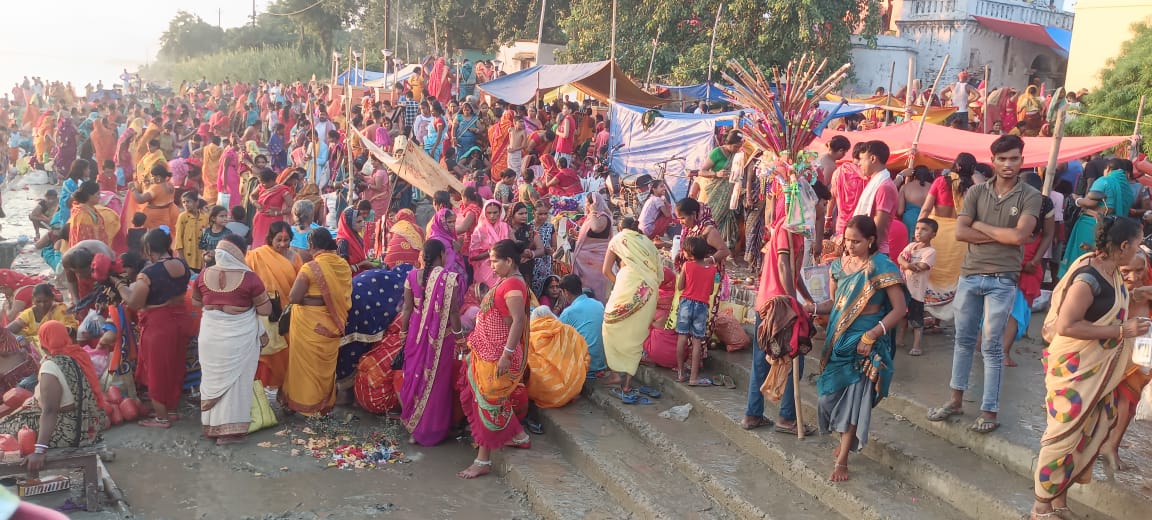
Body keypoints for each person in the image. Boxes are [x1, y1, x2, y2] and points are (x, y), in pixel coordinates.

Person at [1028, 217, 1147, 519]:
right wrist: (1123, 330)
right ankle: (1040, 507)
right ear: (1123, 246)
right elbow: (1067, 325)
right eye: (1137, 245)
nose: (1139, 250)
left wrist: (1135, 296)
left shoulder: (1112, 271)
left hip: (1095, 375)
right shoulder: (1088, 278)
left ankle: (1059, 503)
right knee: (1062, 439)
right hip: (1075, 373)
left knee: (1082, 437)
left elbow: (1105, 307)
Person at [927, 135, 1041, 434]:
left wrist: (979, 225)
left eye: (1013, 158)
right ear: (993, 161)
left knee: (991, 346)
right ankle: (955, 400)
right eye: (1002, 159)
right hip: (970, 274)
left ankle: (989, 410)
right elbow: (961, 233)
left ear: (1022, 160)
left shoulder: (1030, 195)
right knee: (963, 341)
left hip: (1003, 278)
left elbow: (1019, 237)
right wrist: (1002, 235)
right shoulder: (977, 191)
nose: (1008, 164)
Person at [807, 216, 906, 482]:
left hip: (865, 343)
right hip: (838, 341)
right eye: (847, 240)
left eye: (856, 241)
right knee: (828, 397)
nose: (850, 246)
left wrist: (872, 336)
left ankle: (842, 460)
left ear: (871, 240)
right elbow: (834, 303)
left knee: (854, 401)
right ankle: (844, 443)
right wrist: (811, 308)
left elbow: (900, 309)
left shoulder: (882, 267)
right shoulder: (838, 266)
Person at [459, 240, 533, 479]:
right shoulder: (508, 280)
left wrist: (506, 355)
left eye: (494, 261)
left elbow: (517, 321)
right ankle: (519, 436)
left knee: (488, 405)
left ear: (509, 261)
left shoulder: (513, 285)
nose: (491, 266)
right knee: (489, 401)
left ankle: (483, 461)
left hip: (498, 355)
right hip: (489, 351)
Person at [192, 235, 271, 445]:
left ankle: (212, 428)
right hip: (239, 339)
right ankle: (229, 433)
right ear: (240, 253)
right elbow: (265, 310)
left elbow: (196, 302)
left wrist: (217, 305)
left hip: (210, 336)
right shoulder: (250, 278)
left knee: (212, 380)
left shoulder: (204, 275)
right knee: (237, 384)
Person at [117, 228, 195, 428]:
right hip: (181, 320)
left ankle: (161, 417)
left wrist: (119, 286)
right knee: (175, 367)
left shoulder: (149, 273)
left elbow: (134, 303)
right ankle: (171, 410)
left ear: (149, 249)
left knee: (157, 371)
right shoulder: (182, 264)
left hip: (159, 324)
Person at [0, 321, 105, 451]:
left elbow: (50, 410)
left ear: (44, 341)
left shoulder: (50, 366)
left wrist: (39, 450)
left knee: (5, 427)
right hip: (87, 421)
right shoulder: (75, 356)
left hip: (68, 431)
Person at [281, 228, 352, 416]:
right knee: (323, 369)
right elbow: (341, 296)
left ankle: (303, 405)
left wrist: (310, 298)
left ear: (312, 245)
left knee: (304, 367)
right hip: (332, 325)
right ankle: (322, 407)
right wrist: (320, 298)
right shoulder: (343, 265)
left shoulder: (310, 268)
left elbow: (294, 297)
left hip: (309, 325)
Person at [399, 240, 463, 446]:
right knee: (436, 384)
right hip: (441, 338)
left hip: (415, 334)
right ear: (442, 255)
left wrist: (403, 332)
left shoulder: (411, 276)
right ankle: (432, 430)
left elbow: (407, 309)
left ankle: (413, 428)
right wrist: (460, 337)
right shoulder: (449, 279)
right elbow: (454, 312)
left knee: (415, 377)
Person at [1100, 248, 1152, 477]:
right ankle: (1103, 444)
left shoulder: (1146, 289)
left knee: (1129, 404)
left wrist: (1146, 292)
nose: (1134, 276)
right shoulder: (1108, 288)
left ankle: (1111, 445)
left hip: (1141, 358)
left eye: (1140, 270)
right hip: (1110, 354)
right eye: (1127, 271)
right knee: (1111, 403)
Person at [599, 218, 663, 401]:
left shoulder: (618, 239)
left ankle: (615, 374)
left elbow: (606, 270)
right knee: (637, 336)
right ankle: (626, 383)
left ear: (621, 228)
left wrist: (618, 282)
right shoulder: (648, 243)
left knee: (610, 326)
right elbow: (659, 273)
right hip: (648, 290)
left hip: (626, 284)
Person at [245, 221, 303, 390]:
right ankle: (262, 391)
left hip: (288, 314)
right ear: (270, 239)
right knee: (266, 353)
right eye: (279, 240)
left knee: (286, 353)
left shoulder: (295, 257)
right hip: (264, 313)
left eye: (286, 240)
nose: (283, 244)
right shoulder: (256, 255)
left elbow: (301, 284)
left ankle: (283, 389)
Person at [1060, 158, 1136, 278]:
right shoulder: (1126, 187)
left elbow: (1092, 202)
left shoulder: (1104, 180)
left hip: (1092, 224)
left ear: (1108, 169)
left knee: (1082, 259)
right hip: (1114, 229)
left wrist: (1077, 199)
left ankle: (1076, 282)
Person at [527, 305, 590, 409]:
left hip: (547, 391)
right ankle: (571, 389)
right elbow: (585, 355)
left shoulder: (530, 335)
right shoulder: (568, 330)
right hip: (573, 386)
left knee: (527, 359)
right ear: (550, 314)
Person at [675, 236, 718, 385]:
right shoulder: (712, 269)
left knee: (682, 337)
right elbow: (710, 291)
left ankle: (681, 373)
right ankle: (693, 378)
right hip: (702, 306)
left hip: (686, 304)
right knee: (697, 341)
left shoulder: (687, 265)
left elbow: (680, 286)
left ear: (690, 253)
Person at [853, 140, 906, 257]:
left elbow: (878, 228)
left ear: (872, 159)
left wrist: (868, 255)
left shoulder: (884, 187)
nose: (859, 164)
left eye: (861, 159)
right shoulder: (877, 182)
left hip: (873, 251)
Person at [694, 130, 744, 247]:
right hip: (716, 193)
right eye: (735, 146)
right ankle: (703, 245)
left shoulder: (737, 155)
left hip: (730, 195)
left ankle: (721, 247)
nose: (737, 149)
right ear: (728, 143)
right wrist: (717, 174)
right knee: (713, 219)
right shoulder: (717, 152)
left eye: (739, 147)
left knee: (727, 221)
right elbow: (701, 171)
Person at [896, 219, 938, 356]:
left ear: (933, 234)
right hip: (904, 289)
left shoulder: (930, 251)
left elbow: (922, 266)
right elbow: (899, 258)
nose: (919, 232)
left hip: (916, 293)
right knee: (902, 317)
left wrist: (906, 264)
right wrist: (908, 265)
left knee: (916, 321)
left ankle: (916, 346)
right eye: (917, 228)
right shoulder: (911, 245)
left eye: (924, 229)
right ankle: (899, 340)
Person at [557, 274, 607, 376]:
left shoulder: (568, 312)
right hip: (601, 363)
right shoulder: (599, 304)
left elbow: (557, 338)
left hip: (586, 367)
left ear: (565, 292)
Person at [6, 284, 76, 353]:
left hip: (55, 346)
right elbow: (7, 331)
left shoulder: (60, 310)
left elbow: (71, 331)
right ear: (33, 299)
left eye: (46, 301)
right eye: (38, 301)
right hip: (34, 346)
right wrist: (19, 338)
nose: (42, 305)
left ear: (52, 298)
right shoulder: (29, 313)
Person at [573, 193, 614, 302]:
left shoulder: (602, 217)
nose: (585, 205)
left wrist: (594, 211)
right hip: (585, 265)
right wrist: (577, 234)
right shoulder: (591, 217)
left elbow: (595, 228)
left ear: (594, 203)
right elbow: (592, 237)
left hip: (595, 265)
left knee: (596, 292)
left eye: (587, 203)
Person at [469, 200, 512, 289]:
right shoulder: (479, 230)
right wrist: (491, 252)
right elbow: (473, 256)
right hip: (485, 270)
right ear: (485, 213)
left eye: (495, 212)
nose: (492, 216)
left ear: (500, 212)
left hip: (504, 267)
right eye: (489, 213)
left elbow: (511, 245)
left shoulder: (505, 226)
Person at [250, 167, 294, 248]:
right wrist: (255, 203)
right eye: (261, 182)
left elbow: (292, 207)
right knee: (257, 243)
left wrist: (277, 213)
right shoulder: (261, 186)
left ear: (271, 181)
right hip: (260, 221)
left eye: (264, 183)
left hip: (274, 222)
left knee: (270, 243)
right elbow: (252, 196)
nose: (262, 185)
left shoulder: (282, 190)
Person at [67, 181, 119, 248]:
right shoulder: (82, 215)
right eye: (98, 194)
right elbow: (83, 239)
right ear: (89, 196)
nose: (100, 197)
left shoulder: (92, 210)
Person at [130, 164, 180, 231]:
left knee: (153, 235)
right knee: (162, 235)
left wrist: (133, 188)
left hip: (153, 219)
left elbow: (140, 200)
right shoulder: (170, 185)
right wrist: (149, 184)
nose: (152, 178)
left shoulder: (156, 188)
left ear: (158, 177)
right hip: (165, 216)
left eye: (153, 176)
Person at [174, 190, 209, 271]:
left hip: (201, 257)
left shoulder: (204, 218)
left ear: (196, 202)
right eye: (183, 202)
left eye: (188, 201)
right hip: (187, 258)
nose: (185, 204)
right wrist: (182, 259)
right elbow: (178, 238)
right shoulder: (182, 217)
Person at [897, 166, 933, 243]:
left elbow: (900, 211)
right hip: (928, 219)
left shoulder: (905, 187)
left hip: (909, 220)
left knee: (908, 245)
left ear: (914, 175)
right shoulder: (932, 187)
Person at [336, 207, 373, 272]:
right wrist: (363, 264)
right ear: (349, 224)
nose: (362, 224)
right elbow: (343, 270)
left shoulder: (356, 237)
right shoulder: (343, 242)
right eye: (358, 222)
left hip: (362, 273)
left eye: (362, 221)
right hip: (352, 277)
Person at [530, 204, 555, 294]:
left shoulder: (550, 227)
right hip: (531, 262)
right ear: (533, 213)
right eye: (540, 214)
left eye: (545, 214)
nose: (543, 216)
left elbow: (554, 246)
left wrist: (551, 250)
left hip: (545, 264)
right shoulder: (528, 227)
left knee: (545, 288)